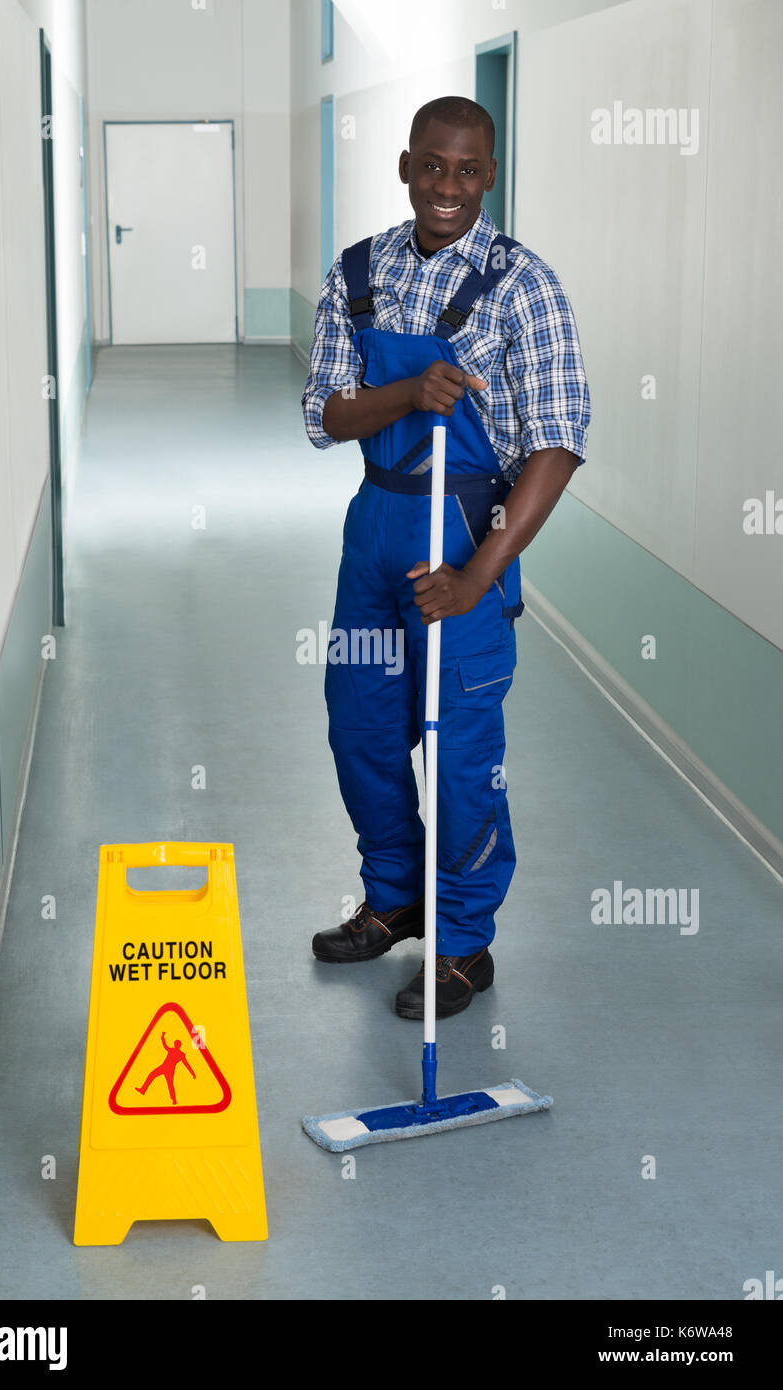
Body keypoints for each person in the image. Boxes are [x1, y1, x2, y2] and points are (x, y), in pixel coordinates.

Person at [301, 96, 590, 1018]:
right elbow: (325, 415)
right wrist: (405, 391)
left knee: (461, 752)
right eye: (432, 166)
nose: (447, 188)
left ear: (489, 176)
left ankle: (465, 943)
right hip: (374, 536)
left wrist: (476, 577)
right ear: (404, 167)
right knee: (362, 730)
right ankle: (394, 900)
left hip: (465, 538)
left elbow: (557, 443)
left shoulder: (523, 287)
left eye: (467, 171)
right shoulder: (359, 273)